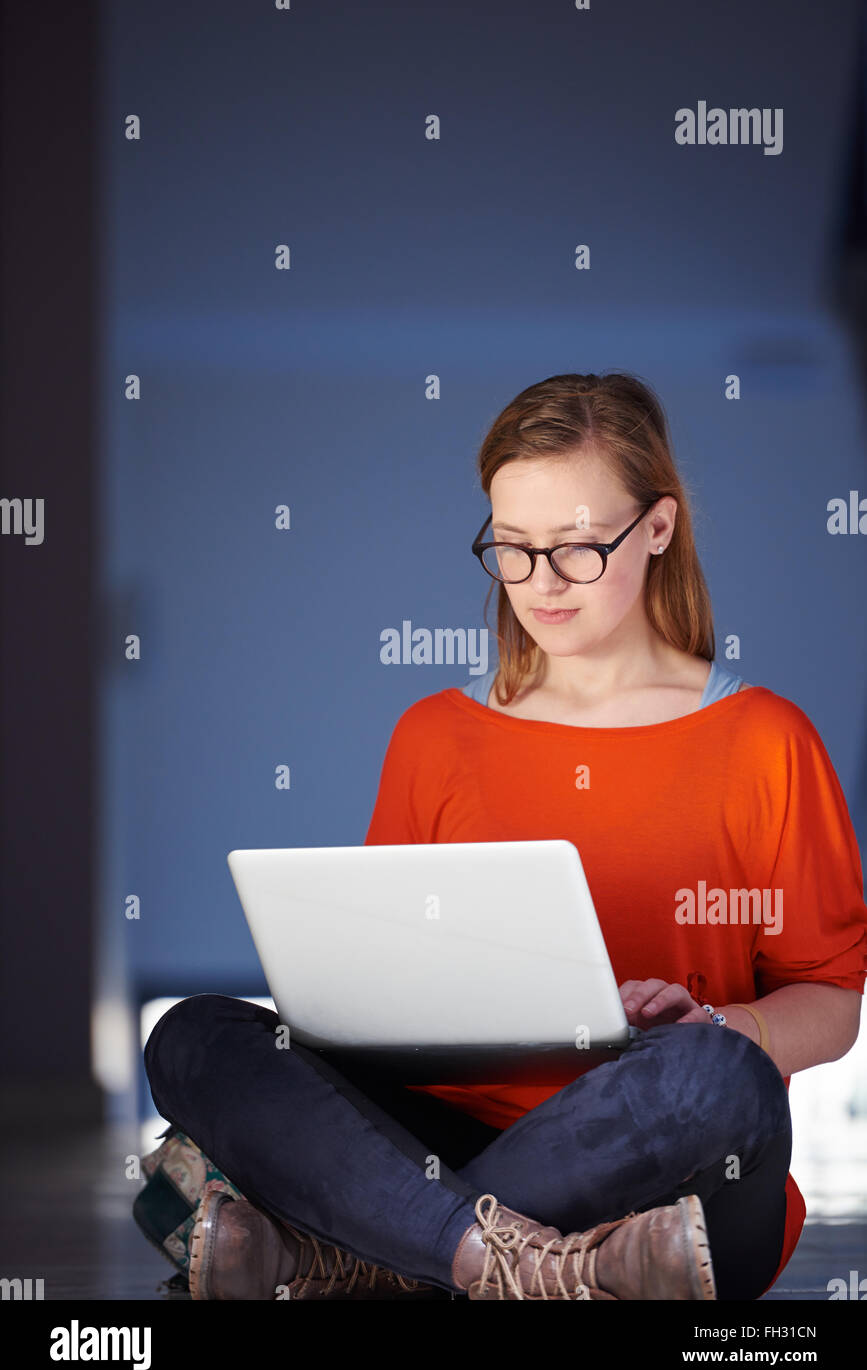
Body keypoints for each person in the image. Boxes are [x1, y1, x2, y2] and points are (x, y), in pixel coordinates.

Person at [141, 372, 866, 1301]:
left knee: (723, 1081)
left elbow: (835, 1002)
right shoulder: (434, 735)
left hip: (658, 1170)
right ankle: (511, 1268)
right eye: (513, 549)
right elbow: (378, 986)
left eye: (574, 549)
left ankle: (371, 1255)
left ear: (656, 528)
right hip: (440, 1143)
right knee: (194, 1038)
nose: (539, 584)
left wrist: (725, 1025)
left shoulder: (766, 740)